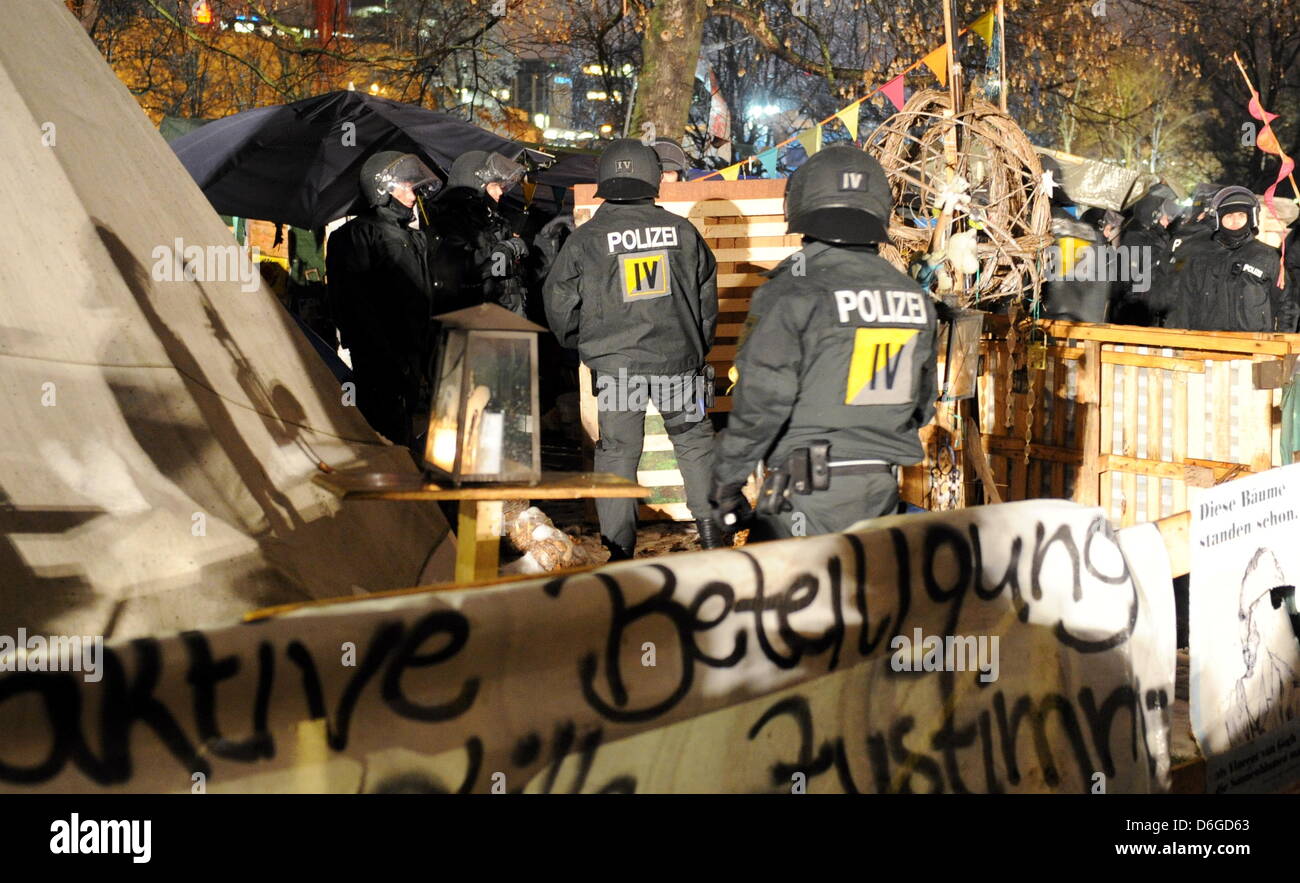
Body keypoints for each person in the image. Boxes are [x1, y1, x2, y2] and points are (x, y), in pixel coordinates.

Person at [710, 145, 938, 541]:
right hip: (879, 493)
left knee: (782, 600)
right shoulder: (915, 299)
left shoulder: (793, 290)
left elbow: (762, 403)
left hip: (803, 498)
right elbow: (921, 407)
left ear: (802, 209)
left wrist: (725, 485)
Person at [543, 139, 723, 559]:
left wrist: (586, 348)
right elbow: (706, 303)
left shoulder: (585, 240)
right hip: (679, 365)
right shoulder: (683, 232)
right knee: (695, 443)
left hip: (618, 368)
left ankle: (619, 551)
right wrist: (695, 350)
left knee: (618, 453)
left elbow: (559, 305)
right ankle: (714, 536)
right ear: (653, 180)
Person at [325, 151, 446, 445]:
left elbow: (424, 295)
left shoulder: (414, 236)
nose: (413, 195)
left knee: (403, 428)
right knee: (380, 429)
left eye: (413, 186)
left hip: (414, 351)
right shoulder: (356, 235)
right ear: (382, 189)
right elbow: (351, 301)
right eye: (406, 186)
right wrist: (381, 349)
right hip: (378, 354)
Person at [1158, 186, 1294, 333]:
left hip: (1255, 346)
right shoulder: (1200, 256)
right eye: (1228, 216)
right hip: (1207, 344)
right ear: (1218, 219)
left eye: (1241, 215)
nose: (1235, 221)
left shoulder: (1267, 256)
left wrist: (1282, 342)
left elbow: (1286, 304)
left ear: (1251, 217)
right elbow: (1184, 305)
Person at [430, 150, 530, 316]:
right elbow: (466, 272)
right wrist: (506, 251)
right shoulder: (451, 223)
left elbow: (508, 276)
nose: (500, 192)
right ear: (476, 185)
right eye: (494, 186)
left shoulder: (495, 221)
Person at [1111, 194, 1176, 326]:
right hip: (1136, 310)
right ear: (1153, 216)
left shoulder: (1160, 237)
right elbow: (1125, 280)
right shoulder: (1136, 239)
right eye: (1165, 217)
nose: (1167, 222)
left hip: (1152, 306)